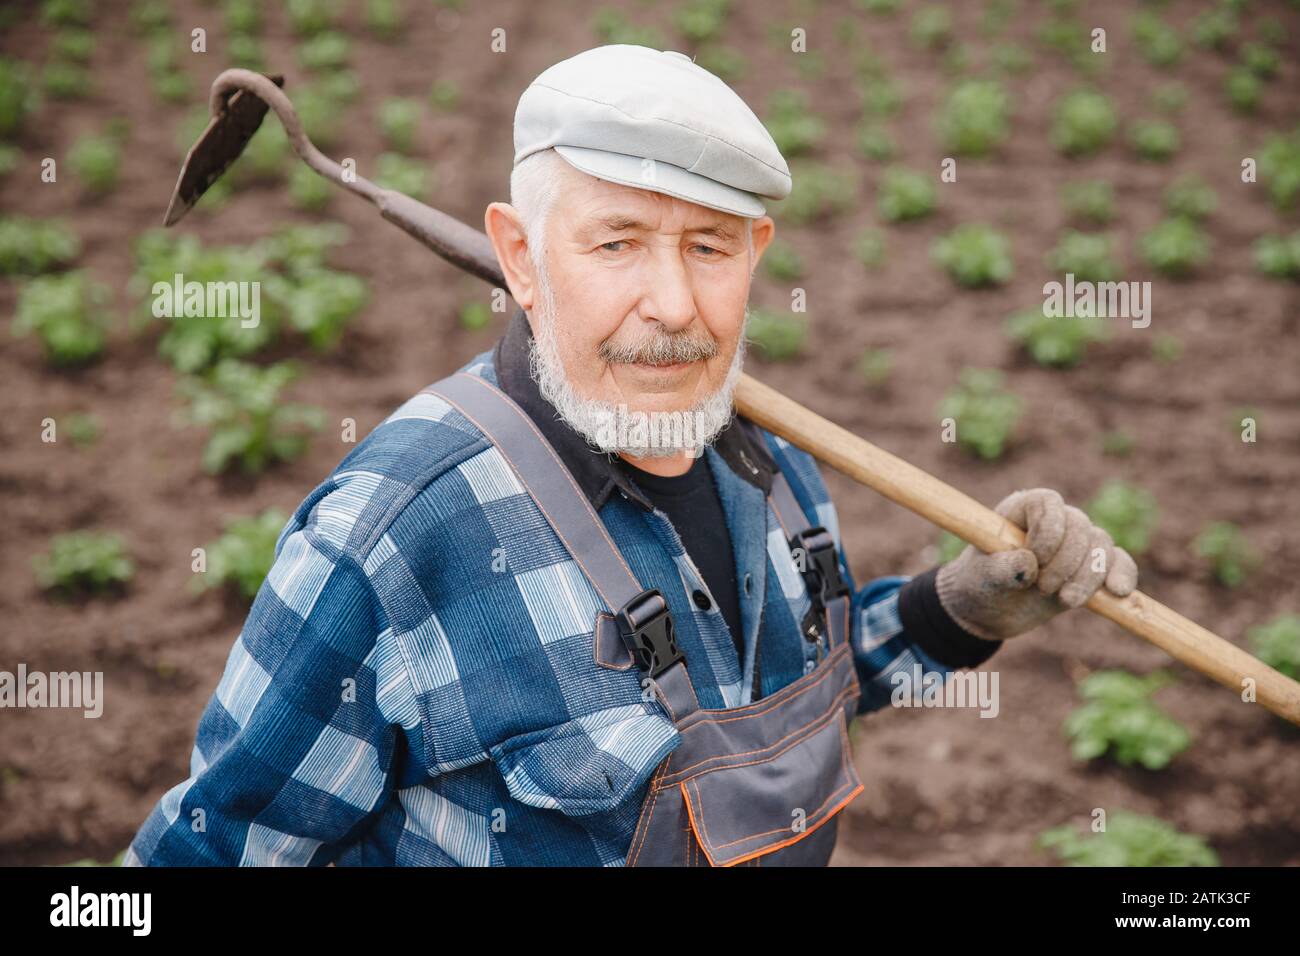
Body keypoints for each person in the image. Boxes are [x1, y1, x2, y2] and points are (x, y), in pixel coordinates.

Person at [126, 45, 1136, 867]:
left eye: (709, 246)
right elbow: (210, 852)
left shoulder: (777, 467)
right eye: (615, 245)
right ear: (520, 257)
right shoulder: (396, 532)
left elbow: (777, 715)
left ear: (758, 255)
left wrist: (956, 612)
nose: (674, 305)